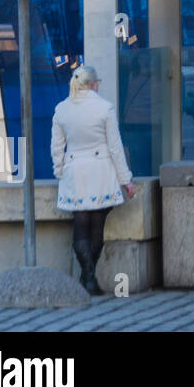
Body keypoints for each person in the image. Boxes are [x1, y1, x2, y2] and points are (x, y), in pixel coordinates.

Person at [51, 65, 137, 296]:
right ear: (92, 84)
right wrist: (126, 180)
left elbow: (57, 147)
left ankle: (87, 277)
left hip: (75, 171)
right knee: (97, 226)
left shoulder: (61, 110)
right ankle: (89, 278)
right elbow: (115, 148)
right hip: (101, 171)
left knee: (81, 225)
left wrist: (60, 171)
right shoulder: (104, 108)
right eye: (97, 82)